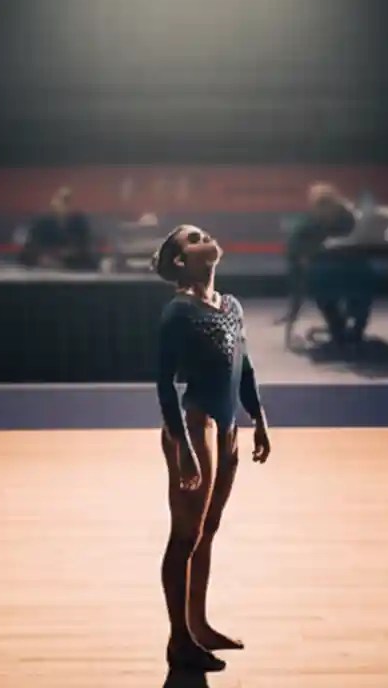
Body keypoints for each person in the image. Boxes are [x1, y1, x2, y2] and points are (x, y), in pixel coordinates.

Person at [152, 224, 272, 673]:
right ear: (182, 260)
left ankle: (199, 625)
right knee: (185, 535)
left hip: (228, 429)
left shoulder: (231, 305)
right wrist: (182, 444)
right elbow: (164, 383)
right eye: (194, 237)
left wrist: (258, 418)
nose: (206, 238)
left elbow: (246, 368)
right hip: (195, 424)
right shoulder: (178, 313)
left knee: (208, 531)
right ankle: (178, 639)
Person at [277, 183, 374, 347]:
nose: (325, 212)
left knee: (363, 279)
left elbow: (361, 242)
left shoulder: (348, 219)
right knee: (321, 285)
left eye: (328, 205)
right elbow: (294, 249)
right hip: (321, 270)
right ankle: (337, 327)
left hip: (349, 266)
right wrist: (307, 255)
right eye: (320, 207)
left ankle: (357, 327)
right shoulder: (308, 224)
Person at [19, 186, 96, 269]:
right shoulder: (42, 224)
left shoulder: (80, 223)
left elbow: (85, 249)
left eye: (67, 201)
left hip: (73, 267)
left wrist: (68, 255)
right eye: (61, 199)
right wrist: (43, 258)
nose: (64, 205)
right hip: (45, 269)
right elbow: (30, 250)